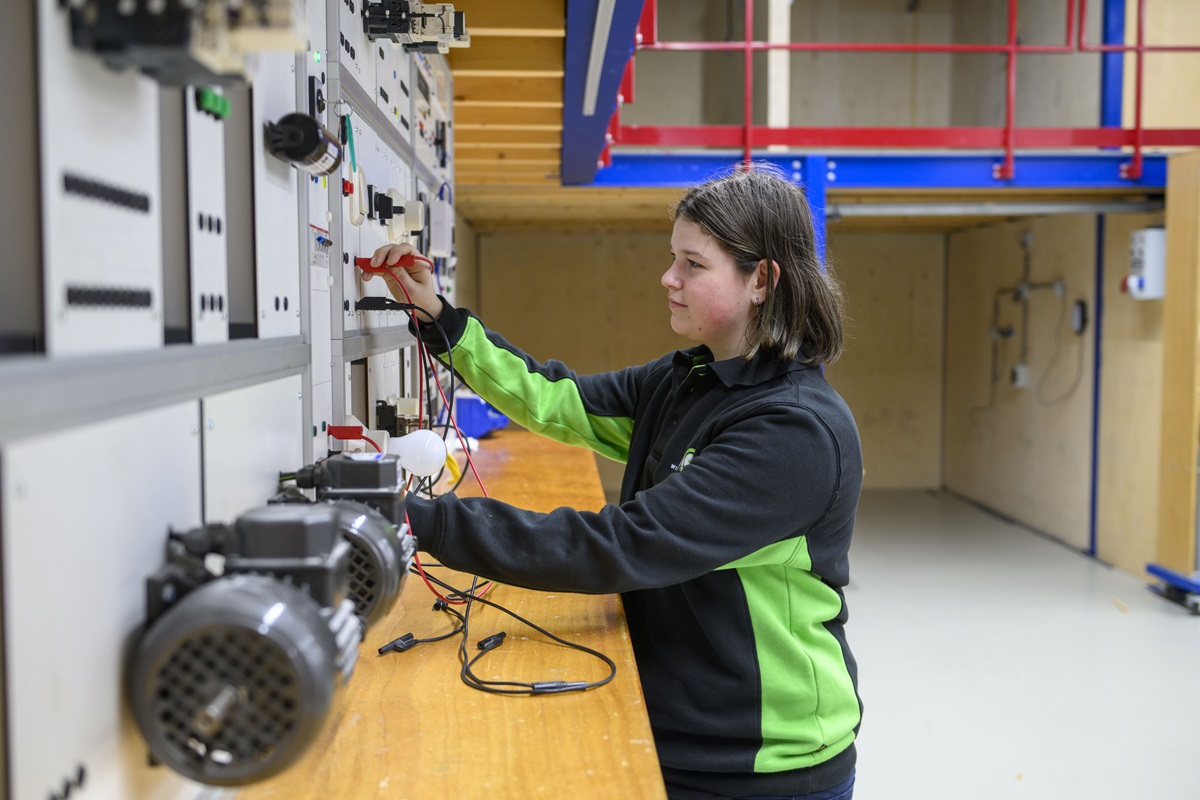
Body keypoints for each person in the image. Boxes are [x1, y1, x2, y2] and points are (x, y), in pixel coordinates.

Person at [368, 165, 863, 800]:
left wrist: (417, 518)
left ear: (761, 280)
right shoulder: (690, 379)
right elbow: (558, 398)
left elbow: (624, 546)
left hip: (762, 760)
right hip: (678, 720)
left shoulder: (793, 433)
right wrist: (440, 319)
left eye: (692, 264)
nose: (669, 278)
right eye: (672, 259)